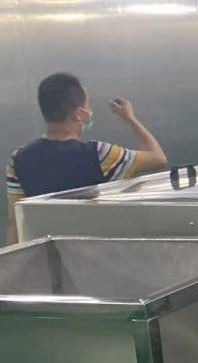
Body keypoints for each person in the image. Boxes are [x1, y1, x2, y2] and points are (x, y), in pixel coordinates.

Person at [5, 72, 167, 244]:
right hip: (90, 253)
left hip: (45, 255)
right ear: (78, 114)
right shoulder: (101, 154)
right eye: (88, 104)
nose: (90, 110)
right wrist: (130, 119)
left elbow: (14, 220)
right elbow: (159, 159)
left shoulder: (18, 159)